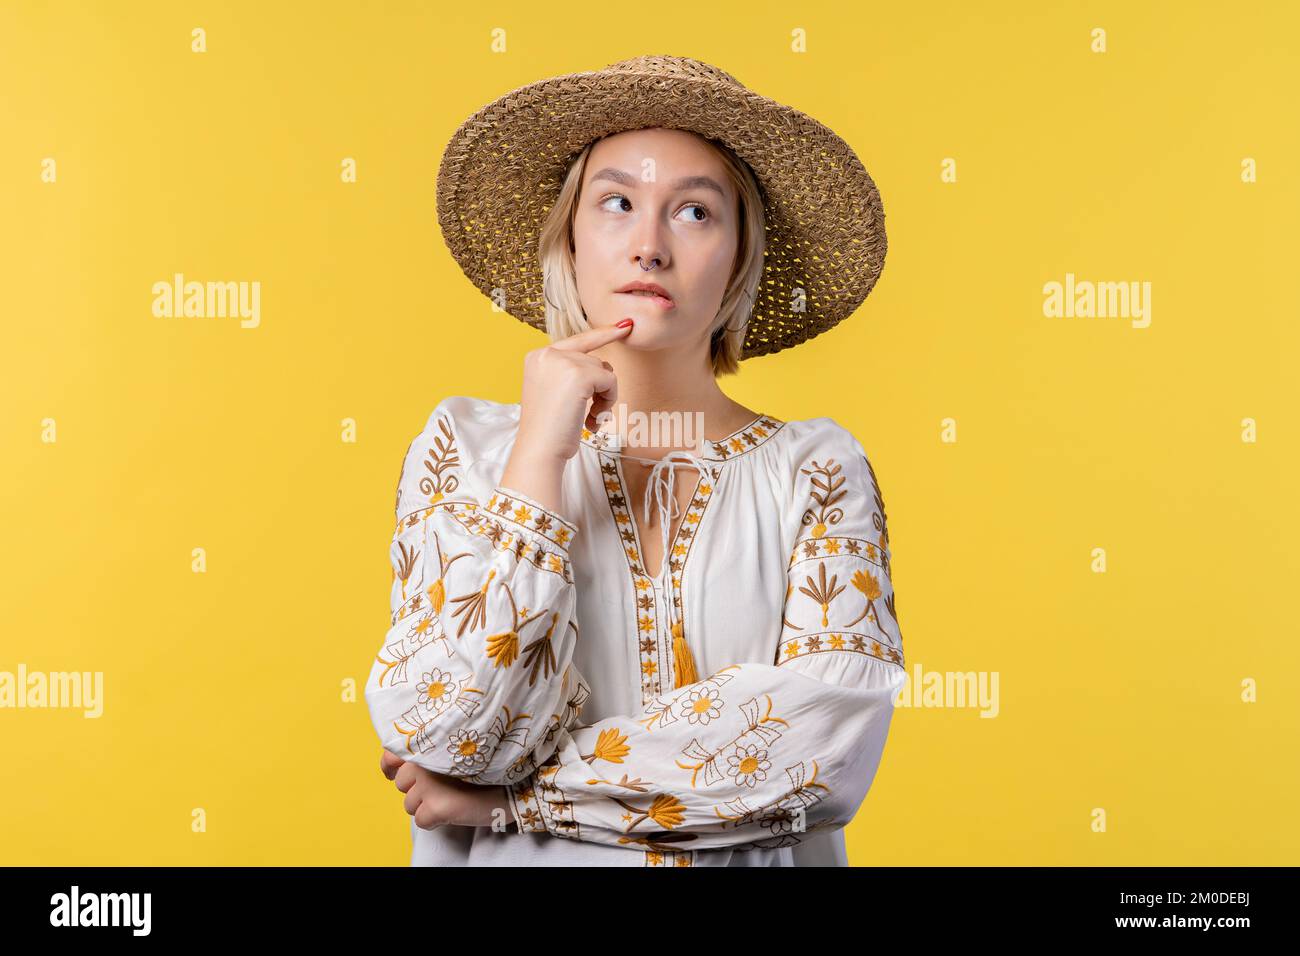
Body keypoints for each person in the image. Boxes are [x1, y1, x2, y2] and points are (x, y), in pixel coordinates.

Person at [365, 55, 904, 867]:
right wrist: (540, 457)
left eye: (694, 212)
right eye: (617, 203)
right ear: (570, 237)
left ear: (738, 257)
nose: (649, 246)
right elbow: (452, 735)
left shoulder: (817, 471)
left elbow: (822, 753)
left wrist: (518, 800)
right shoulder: (465, 449)